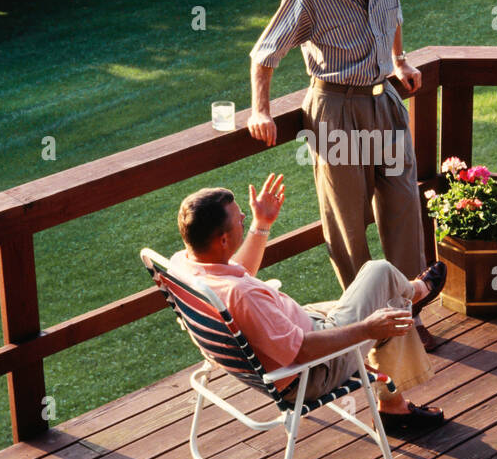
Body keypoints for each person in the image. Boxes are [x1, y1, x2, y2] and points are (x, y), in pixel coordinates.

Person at [246, 0, 437, 348]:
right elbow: (264, 53)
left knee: (403, 209)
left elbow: (391, 17)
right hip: (336, 112)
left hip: (385, 103)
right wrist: (260, 109)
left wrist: (399, 60)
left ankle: (408, 317)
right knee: (347, 224)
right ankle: (369, 327)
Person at [168, 173, 448, 434]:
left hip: (288, 330)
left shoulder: (184, 266)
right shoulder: (243, 296)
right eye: (240, 219)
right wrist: (366, 329)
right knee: (381, 275)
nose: (244, 216)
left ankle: (395, 403)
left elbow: (238, 271)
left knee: (388, 299)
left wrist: (261, 223)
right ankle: (415, 292)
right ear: (224, 239)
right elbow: (302, 352)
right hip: (311, 371)